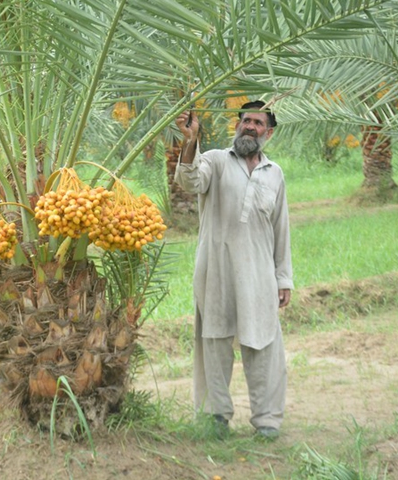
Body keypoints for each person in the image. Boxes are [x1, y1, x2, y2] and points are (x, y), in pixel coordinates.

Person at [173, 100, 293, 440]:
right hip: (216, 270)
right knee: (214, 343)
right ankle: (215, 417)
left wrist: (283, 278)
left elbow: (281, 228)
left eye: (258, 122)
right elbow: (189, 180)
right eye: (245, 120)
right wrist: (191, 140)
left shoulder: (274, 173)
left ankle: (267, 420)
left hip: (258, 273)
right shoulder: (215, 160)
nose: (250, 126)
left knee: (263, 343)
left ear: (268, 132)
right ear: (237, 125)